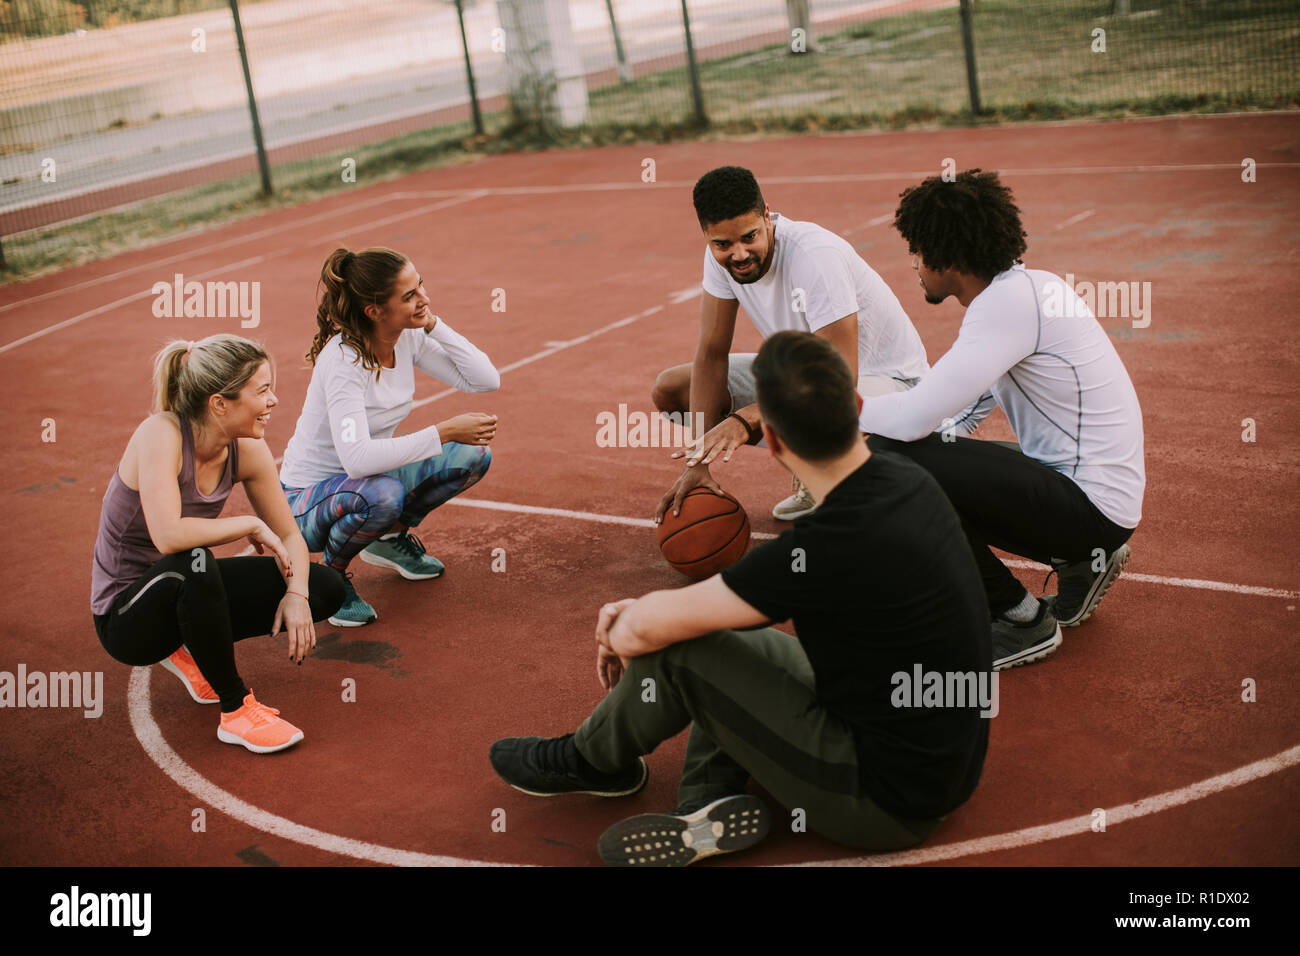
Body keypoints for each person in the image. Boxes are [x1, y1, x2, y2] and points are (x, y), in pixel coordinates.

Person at [491, 332, 990, 866]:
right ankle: (709, 801)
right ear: (859, 408)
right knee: (719, 625)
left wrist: (622, 623)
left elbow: (651, 631)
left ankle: (591, 761)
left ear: (770, 440)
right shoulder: (908, 479)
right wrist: (646, 619)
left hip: (882, 802)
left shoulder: (823, 546)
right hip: (942, 767)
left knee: (683, 645)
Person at [859, 168, 1145, 671]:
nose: (914, 264)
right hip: (1099, 499)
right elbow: (961, 415)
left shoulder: (1006, 306)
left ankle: (1020, 618)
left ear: (947, 255)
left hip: (1089, 506)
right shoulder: (1028, 290)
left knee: (884, 461)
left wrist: (836, 408)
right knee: (920, 465)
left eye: (917, 249)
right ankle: (1081, 563)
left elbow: (911, 422)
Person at [91, 335, 346, 754]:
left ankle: (193, 641)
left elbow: (290, 537)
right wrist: (245, 522)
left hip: (185, 585)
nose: (274, 400)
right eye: (262, 390)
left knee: (325, 587)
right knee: (193, 562)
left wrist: (297, 593)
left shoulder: (248, 449)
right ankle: (236, 712)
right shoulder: (162, 434)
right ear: (219, 404)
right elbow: (168, 536)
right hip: (126, 618)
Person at [653, 165, 929, 524]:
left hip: (888, 384)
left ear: (768, 215)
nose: (738, 254)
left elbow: (838, 378)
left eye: (749, 237)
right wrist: (699, 463)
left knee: (812, 406)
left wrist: (746, 417)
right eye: (722, 244)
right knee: (673, 388)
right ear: (706, 235)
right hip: (808, 372)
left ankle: (847, 473)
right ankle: (816, 463)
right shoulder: (718, 259)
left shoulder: (815, 256)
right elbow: (711, 351)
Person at [279, 247, 501, 627]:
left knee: (472, 454)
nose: (423, 299)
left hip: (361, 484)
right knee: (383, 494)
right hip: (305, 504)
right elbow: (358, 461)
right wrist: (444, 430)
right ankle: (329, 580)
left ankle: (387, 540)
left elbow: (484, 380)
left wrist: (433, 323)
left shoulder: (406, 338)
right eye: (410, 296)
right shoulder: (344, 361)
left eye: (421, 287)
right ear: (374, 311)